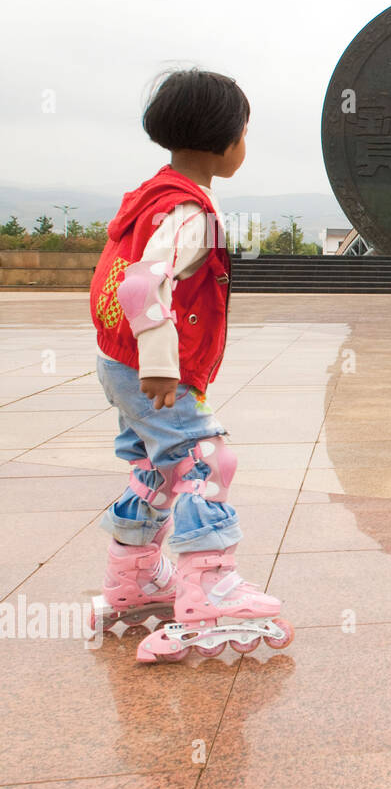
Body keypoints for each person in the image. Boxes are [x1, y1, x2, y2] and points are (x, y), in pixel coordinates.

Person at [88, 68, 292, 662]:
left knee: (154, 465)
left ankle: (131, 580)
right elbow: (142, 286)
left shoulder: (153, 193)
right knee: (205, 461)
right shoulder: (191, 213)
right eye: (245, 132)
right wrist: (159, 365)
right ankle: (209, 588)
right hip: (151, 370)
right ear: (227, 140)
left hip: (118, 361)